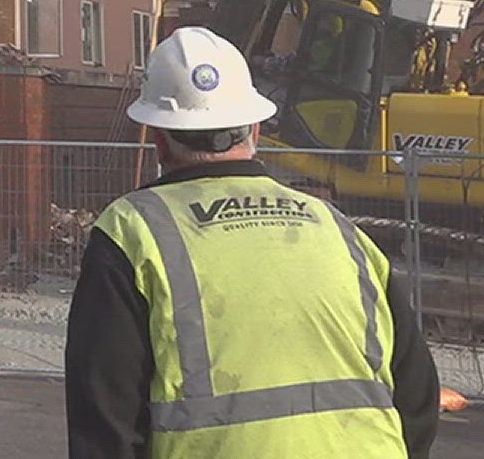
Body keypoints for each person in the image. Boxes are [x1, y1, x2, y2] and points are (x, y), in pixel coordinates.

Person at [65, 26, 439, 458]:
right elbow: (417, 396)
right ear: (256, 130)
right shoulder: (338, 228)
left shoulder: (132, 231)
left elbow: (105, 418)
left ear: (159, 139)